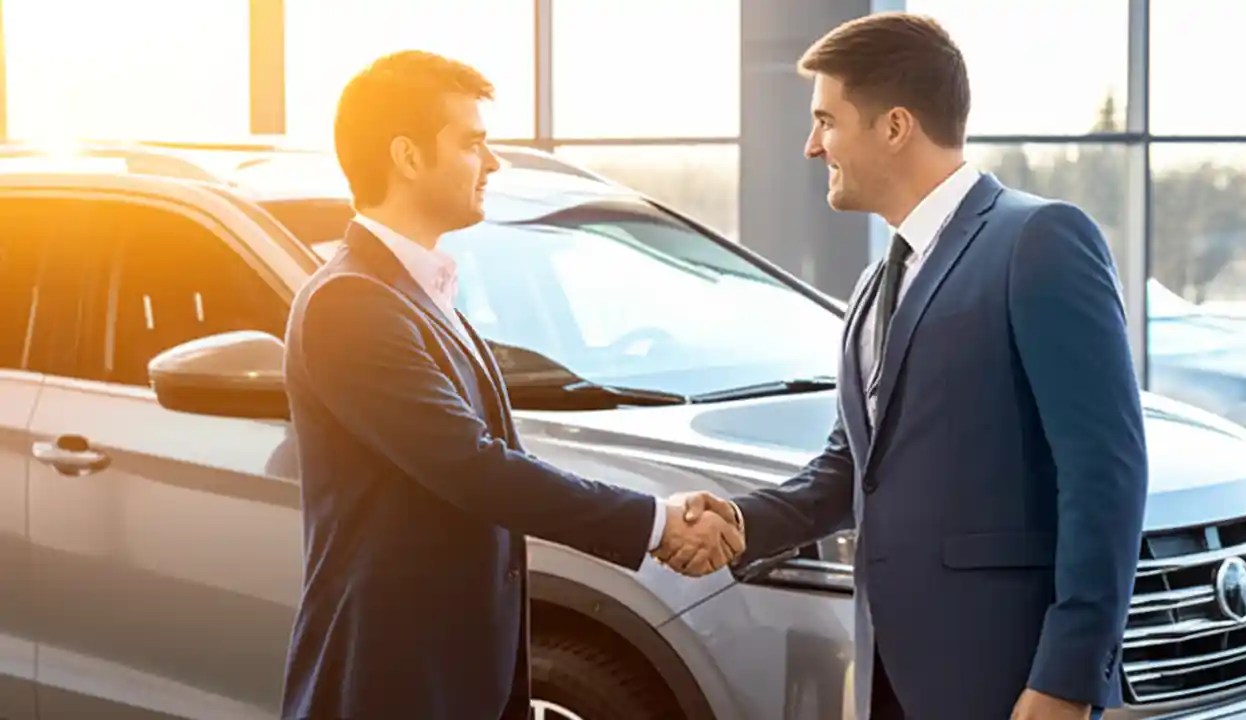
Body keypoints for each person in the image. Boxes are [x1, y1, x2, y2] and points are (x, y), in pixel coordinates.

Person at [670, 12, 1147, 720]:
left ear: (894, 127)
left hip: (1008, 678)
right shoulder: (872, 285)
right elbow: (852, 468)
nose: (811, 146)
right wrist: (743, 521)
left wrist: (1068, 679)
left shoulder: (1039, 240)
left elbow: (1105, 473)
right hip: (890, 675)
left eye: (826, 121)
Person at [278, 50, 743, 720]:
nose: (492, 163)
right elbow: (474, 468)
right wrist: (656, 522)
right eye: (472, 143)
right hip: (392, 681)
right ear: (406, 156)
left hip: (462, 676)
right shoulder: (349, 304)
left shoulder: (422, 293)